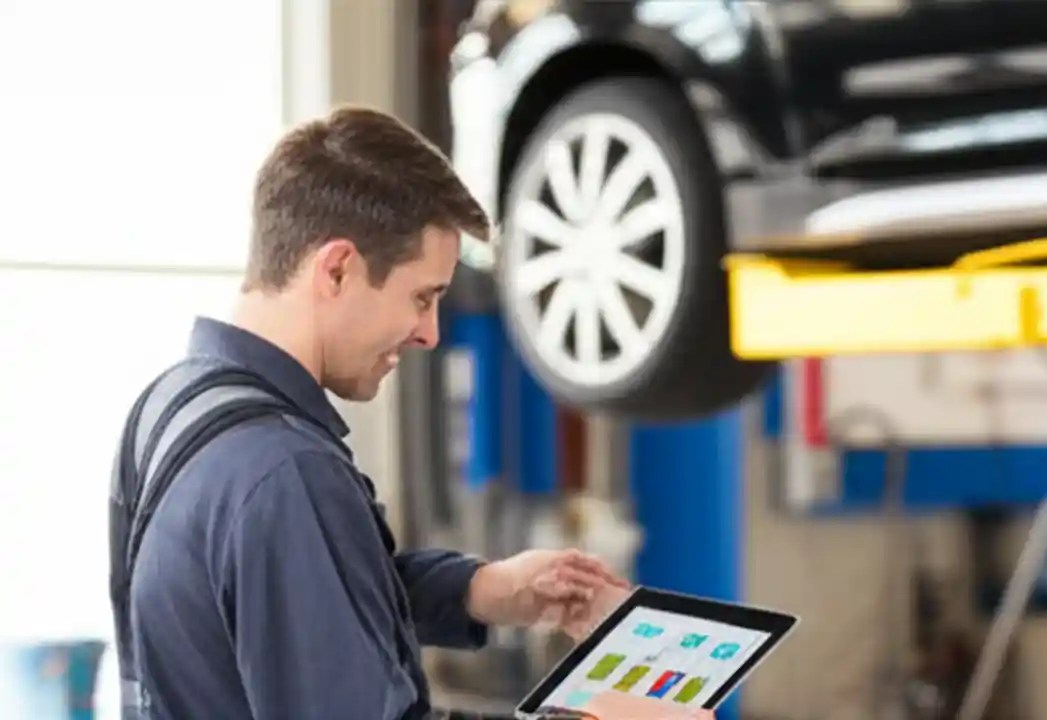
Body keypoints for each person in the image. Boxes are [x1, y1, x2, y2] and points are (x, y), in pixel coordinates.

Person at [108, 106, 711, 720]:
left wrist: (476, 591)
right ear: (337, 268)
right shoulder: (286, 473)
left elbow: (291, 601)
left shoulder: (171, 411)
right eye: (422, 298)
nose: (428, 333)